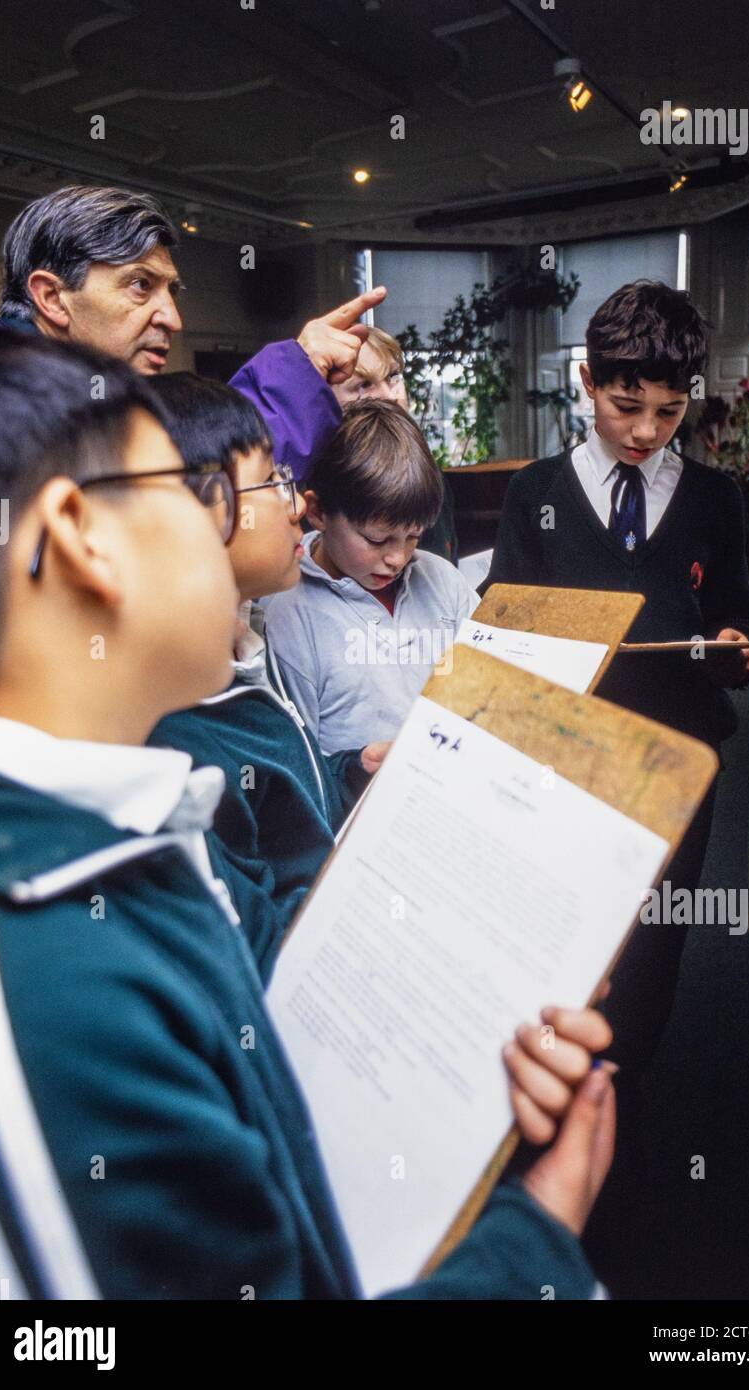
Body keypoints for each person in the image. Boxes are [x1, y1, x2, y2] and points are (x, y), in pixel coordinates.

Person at [0, 326, 615, 1300]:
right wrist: (534, 1236)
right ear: (78, 542)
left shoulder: (135, 835)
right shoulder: (40, 965)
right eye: (208, 496)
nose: (259, 523)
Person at [485, 280, 749, 1072]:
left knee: (654, 939)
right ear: (587, 382)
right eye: (624, 404)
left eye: (668, 413)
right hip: (566, 757)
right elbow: (503, 616)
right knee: (561, 922)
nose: (645, 431)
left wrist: (733, 642)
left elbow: (734, 611)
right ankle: (551, 1077)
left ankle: (626, 1089)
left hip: (679, 759)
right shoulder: (533, 493)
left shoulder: (714, 498)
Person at [146, 372, 383, 970]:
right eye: (274, 480)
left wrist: (353, 772)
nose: (298, 502)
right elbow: (260, 951)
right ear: (203, 513)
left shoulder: (246, 649)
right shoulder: (176, 740)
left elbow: (284, 808)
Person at [0, 181, 382, 477]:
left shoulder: (78, 411)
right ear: (51, 297)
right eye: (140, 285)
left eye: (172, 291)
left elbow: (207, 473)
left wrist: (302, 370)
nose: (173, 319)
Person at [262, 400, 478, 755]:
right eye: (376, 539)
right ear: (317, 512)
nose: (398, 558)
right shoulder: (289, 612)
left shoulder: (442, 581)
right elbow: (301, 766)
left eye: (413, 537)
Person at [331, 325, 459, 563]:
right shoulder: (297, 489)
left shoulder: (426, 477)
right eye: (364, 384)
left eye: (392, 377)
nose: (390, 396)